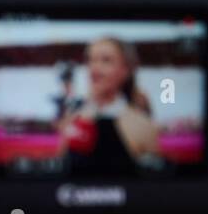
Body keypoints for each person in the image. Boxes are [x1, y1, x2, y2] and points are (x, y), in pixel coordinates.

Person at [58, 37, 160, 175]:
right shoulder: (74, 118)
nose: (95, 68)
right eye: (91, 60)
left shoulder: (143, 126)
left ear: (126, 70)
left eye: (106, 60)